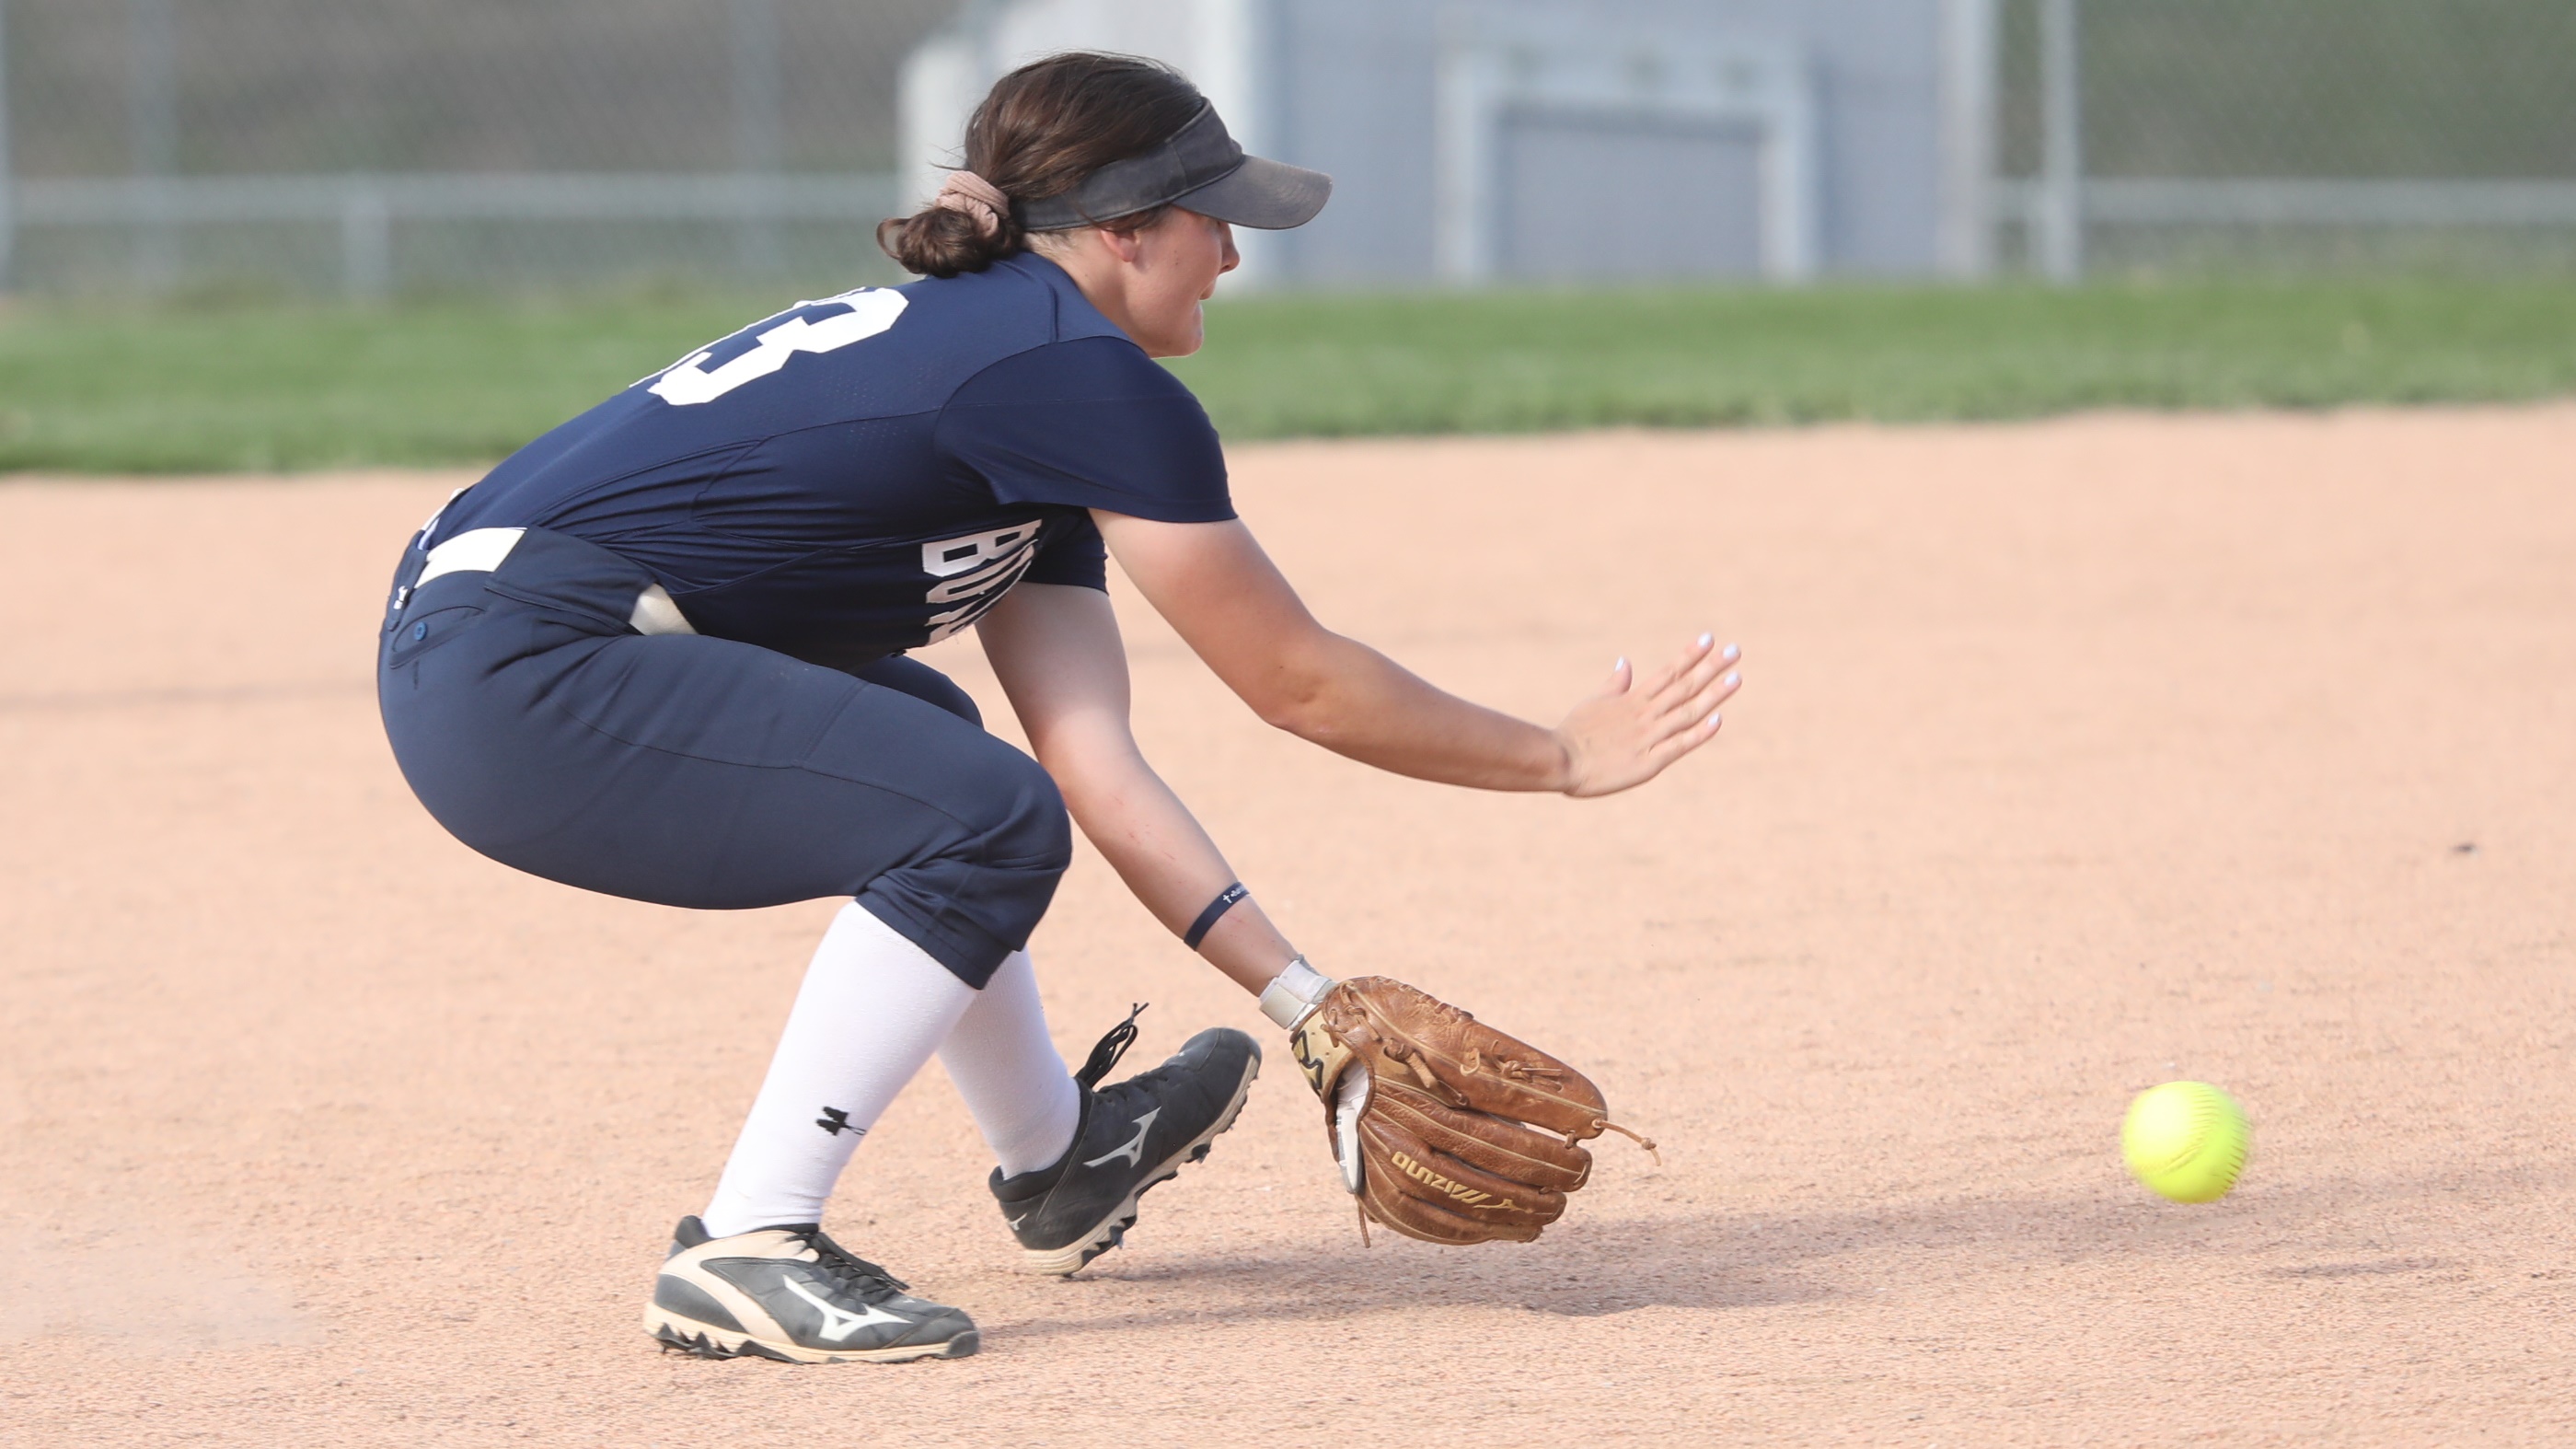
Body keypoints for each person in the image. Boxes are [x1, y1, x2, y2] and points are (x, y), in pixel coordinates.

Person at [375, 52, 1739, 1366]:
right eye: (1218, 221)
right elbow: (1296, 680)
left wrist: (1301, 998)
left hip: (510, 647)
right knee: (968, 813)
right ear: (1126, 231)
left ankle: (1059, 1158)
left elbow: (1099, 768)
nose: (1238, 255)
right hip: (522, 667)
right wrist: (1553, 753)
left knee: (948, 770)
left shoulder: (1036, 393)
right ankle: (746, 1241)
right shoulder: (1070, 375)